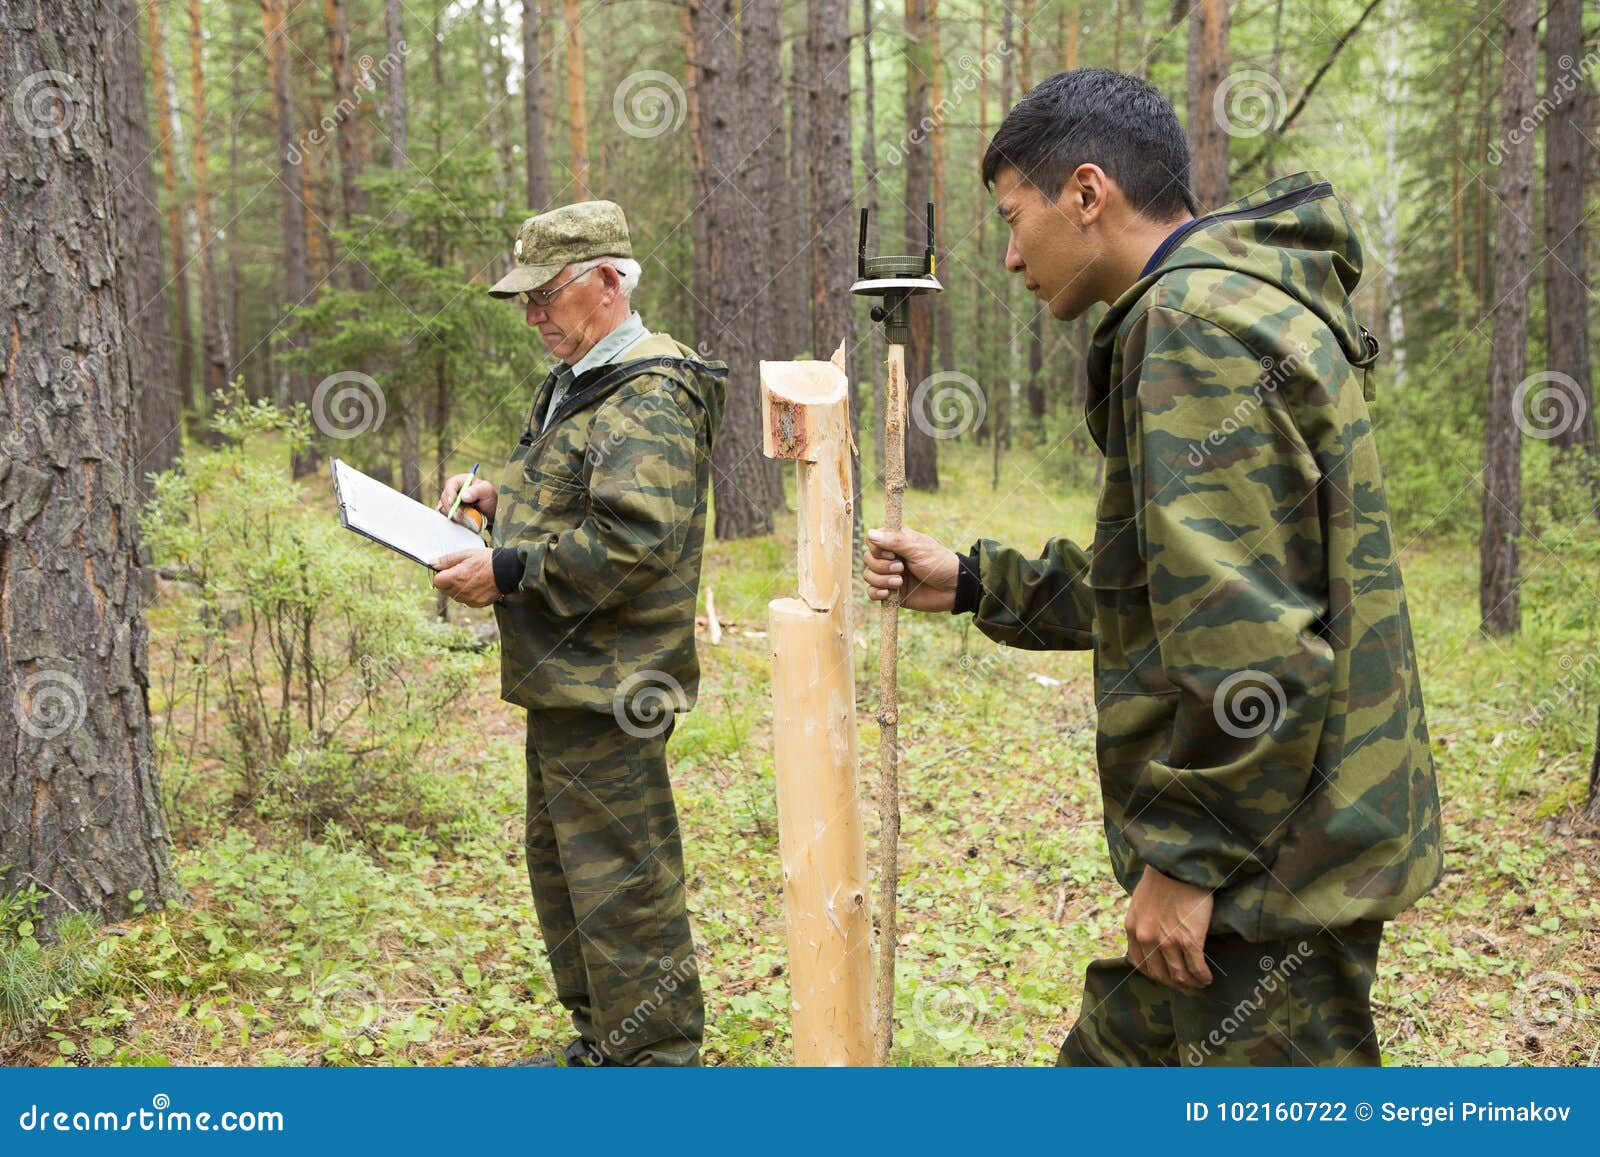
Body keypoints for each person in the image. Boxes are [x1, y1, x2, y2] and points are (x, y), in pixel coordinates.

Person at [862, 69, 1441, 1066]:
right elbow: (1167, 582)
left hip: (1268, 867)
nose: (1006, 257)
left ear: (1087, 195)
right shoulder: (1230, 303)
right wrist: (972, 579)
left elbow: (1251, 630)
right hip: (1274, 833)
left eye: (1012, 217)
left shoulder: (1189, 327)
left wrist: (1185, 856)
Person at [432, 200, 726, 1066]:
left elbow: (635, 540)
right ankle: (605, 1043)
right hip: (569, 676)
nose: (531, 316)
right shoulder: (580, 378)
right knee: (564, 876)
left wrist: (509, 569)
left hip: (616, 687)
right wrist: (500, 503)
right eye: (522, 298)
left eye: (545, 295)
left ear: (607, 282)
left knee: (623, 891)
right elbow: (575, 494)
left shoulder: (650, 389)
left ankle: (658, 1066)